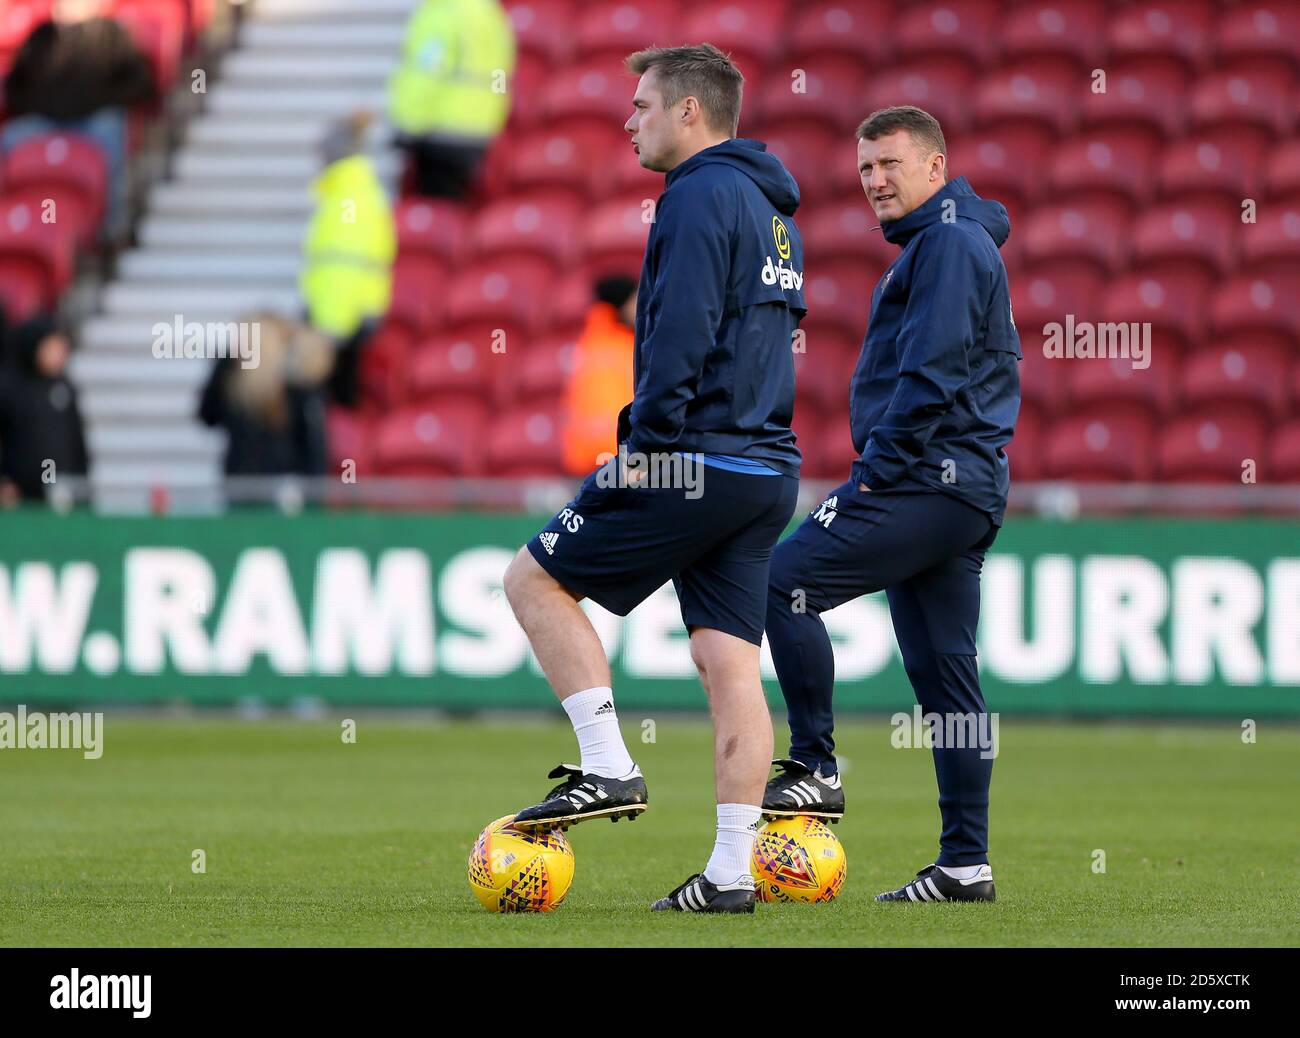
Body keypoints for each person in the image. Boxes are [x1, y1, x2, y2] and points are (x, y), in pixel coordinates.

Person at [502, 43, 806, 914]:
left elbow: (681, 331)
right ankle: (730, 875)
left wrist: (645, 440)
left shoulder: (697, 195)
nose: (628, 119)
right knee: (728, 666)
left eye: (641, 105)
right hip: (764, 469)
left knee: (532, 579)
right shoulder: (773, 211)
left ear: (688, 113)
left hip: (692, 457)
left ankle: (606, 764)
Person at [762, 106, 1021, 903]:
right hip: (967, 490)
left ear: (936, 168)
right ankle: (965, 863)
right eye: (866, 166)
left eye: (892, 164)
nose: (875, 180)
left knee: (782, 580)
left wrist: (881, 469)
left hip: (923, 479)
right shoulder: (956, 240)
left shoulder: (945, 242)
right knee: (948, 683)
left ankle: (815, 765)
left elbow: (934, 370)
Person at [299, 112, 396, 407]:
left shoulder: (348, 198)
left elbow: (343, 268)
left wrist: (330, 326)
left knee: (334, 405)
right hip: (349, 315)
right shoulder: (356, 193)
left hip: (340, 319)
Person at [387, 0, 515, 198]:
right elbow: (501, 75)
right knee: (454, 215)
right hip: (479, 131)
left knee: (433, 214)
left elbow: (426, 73)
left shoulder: (443, 13)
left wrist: (408, 124)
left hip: (439, 130)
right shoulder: (492, 15)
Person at [198, 313, 332, 478]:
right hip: (252, 481)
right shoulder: (236, 381)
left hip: (273, 482)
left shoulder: (291, 384)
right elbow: (207, 416)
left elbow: (310, 442)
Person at [0, 315, 90, 503]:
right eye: (52, 347)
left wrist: (81, 480)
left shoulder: (65, 387)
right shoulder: (10, 388)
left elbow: (76, 439)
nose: (59, 353)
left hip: (61, 494)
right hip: (19, 497)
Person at [560, 275, 637, 477]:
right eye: (635, 299)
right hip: (618, 457)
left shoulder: (587, 343)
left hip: (583, 458)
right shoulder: (625, 347)